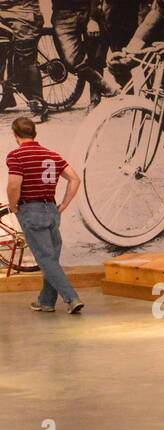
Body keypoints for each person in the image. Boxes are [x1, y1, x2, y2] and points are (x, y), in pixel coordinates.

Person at [6, 115, 84, 314]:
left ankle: (72, 298)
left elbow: (15, 184)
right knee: (50, 259)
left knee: (46, 259)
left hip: (31, 210)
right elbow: (74, 179)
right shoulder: (52, 155)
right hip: (51, 210)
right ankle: (46, 302)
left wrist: (13, 206)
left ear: (15, 135)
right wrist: (65, 203)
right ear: (34, 133)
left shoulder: (16, 156)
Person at [52, 0, 120, 107]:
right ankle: (105, 87)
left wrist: (93, 18)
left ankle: (95, 101)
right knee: (72, 61)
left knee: (96, 57)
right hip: (62, 15)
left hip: (87, 11)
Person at [0, 0, 48, 120]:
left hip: (23, 11)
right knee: (2, 47)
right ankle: (8, 95)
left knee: (26, 58)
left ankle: (38, 103)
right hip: (3, 12)